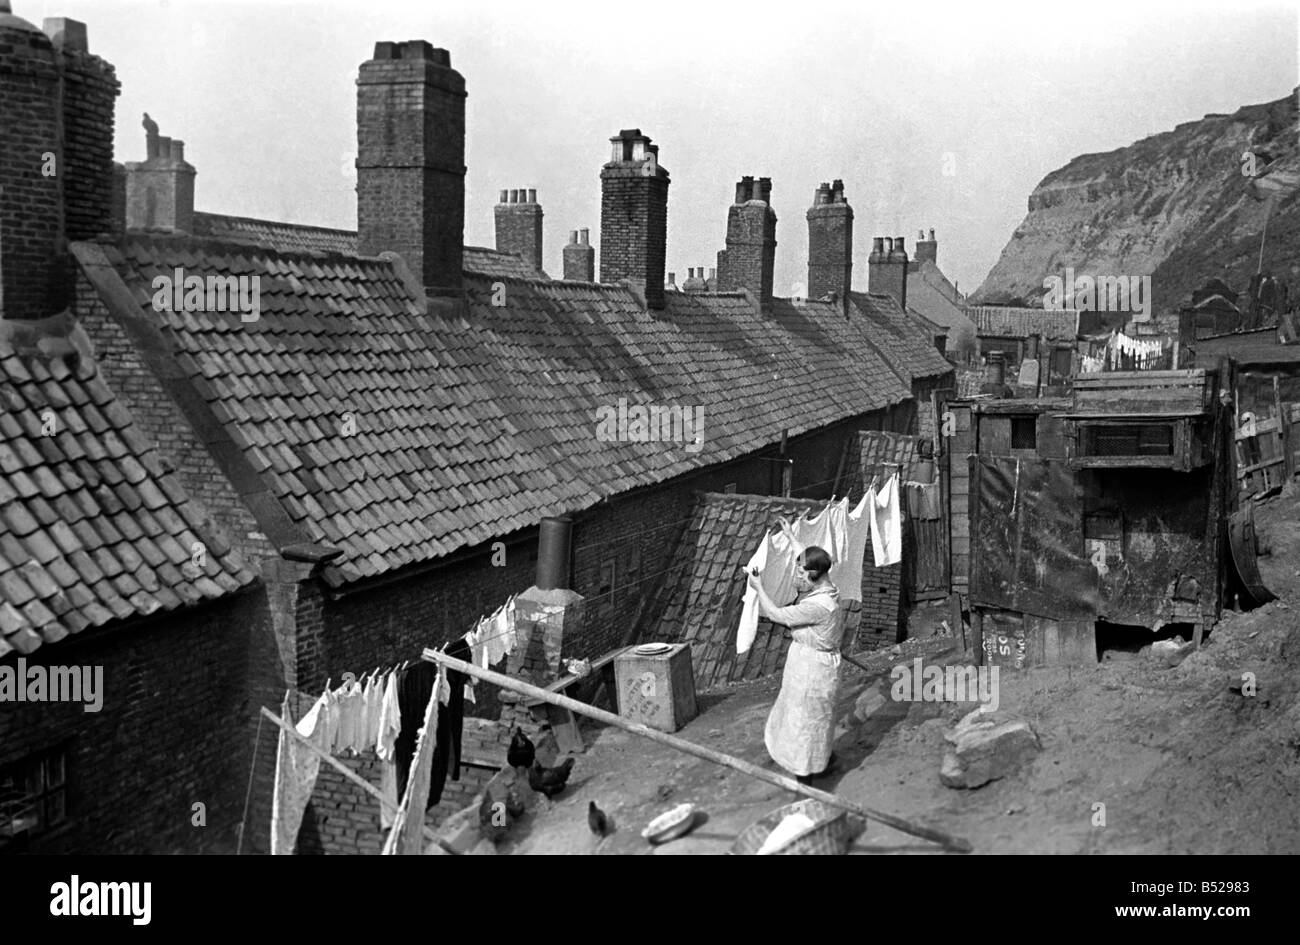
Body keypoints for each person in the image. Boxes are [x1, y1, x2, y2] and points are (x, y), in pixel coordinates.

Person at [744, 546, 845, 785]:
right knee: (813, 718)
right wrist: (792, 539)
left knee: (806, 723)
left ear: (813, 575)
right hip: (809, 664)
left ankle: (805, 783)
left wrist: (759, 588)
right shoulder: (829, 587)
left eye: (800, 574)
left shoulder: (818, 606)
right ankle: (824, 760)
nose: (796, 579)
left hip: (813, 670)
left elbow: (776, 614)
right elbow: (814, 560)